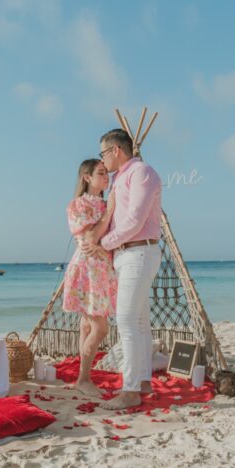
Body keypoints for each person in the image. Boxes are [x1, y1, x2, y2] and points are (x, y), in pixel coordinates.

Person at [83, 129, 162, 410]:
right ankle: (141, 382)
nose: (101, 160)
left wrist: (104, 243)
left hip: (139, 250)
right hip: (126, 253)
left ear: (116, 150)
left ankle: (129, 390)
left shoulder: (142, 172)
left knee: (127, 320)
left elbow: (135, 221)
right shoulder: (118, 180)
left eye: (103, 153)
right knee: (139, 322)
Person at [63, 159, 117, 397]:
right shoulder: (77, 205)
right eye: (101, 173)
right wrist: (106, 219)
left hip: (103, 267)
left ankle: (82, 377)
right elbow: (88, 241)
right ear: (87, 177)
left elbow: (104, 239)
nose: (106, 177)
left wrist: (102, 238)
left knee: (87, 323)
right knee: (100, 328)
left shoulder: (106, 203)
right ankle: (84, 378)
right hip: (88, 269)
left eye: (107, 173)